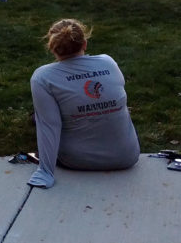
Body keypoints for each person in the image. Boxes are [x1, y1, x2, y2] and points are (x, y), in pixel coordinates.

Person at [28, 19, 139, 188]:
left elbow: (49, 125)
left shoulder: (43, 77)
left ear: (52, 48)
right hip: (127, 156)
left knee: (39, 117)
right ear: (84, 44)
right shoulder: (108, 62)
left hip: (76, 160)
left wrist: (45, 171)